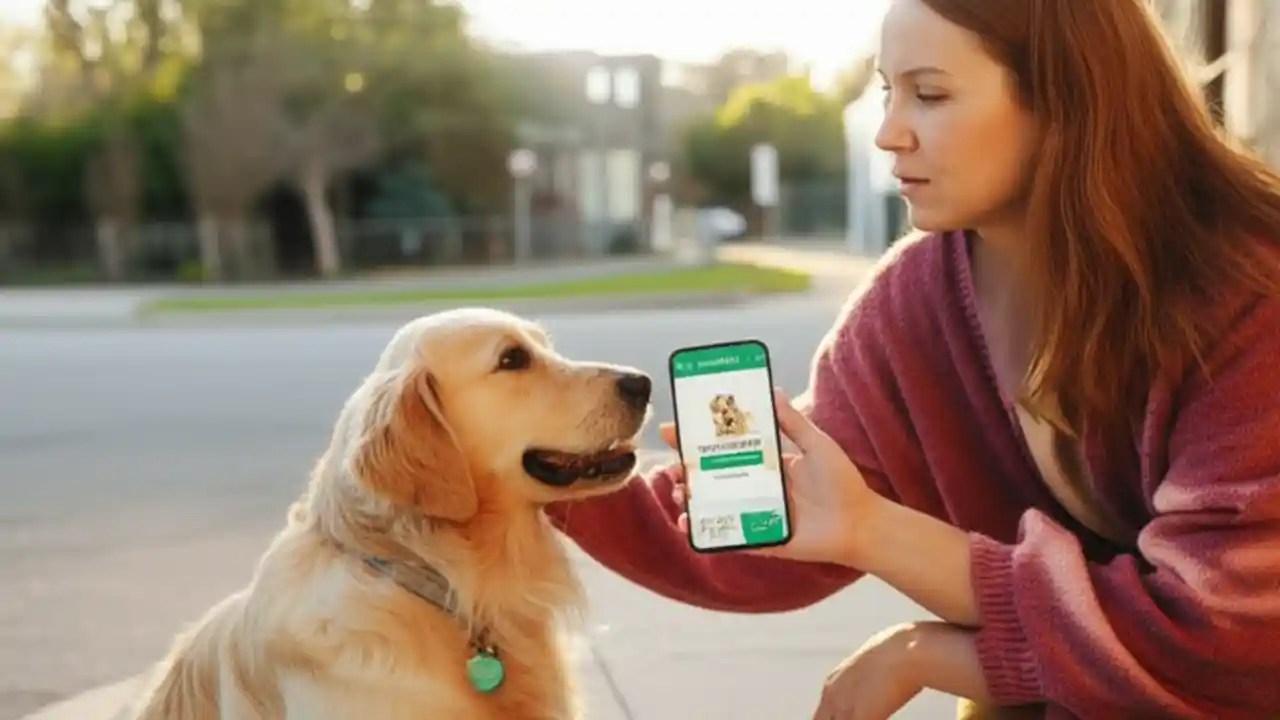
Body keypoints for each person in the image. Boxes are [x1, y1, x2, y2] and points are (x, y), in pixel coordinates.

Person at [547, 0, 1280, 718]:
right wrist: (540, 466)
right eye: (886, 93)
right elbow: (777, 517)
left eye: (929, 95)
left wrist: (927, 648)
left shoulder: (1251, 293)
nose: (888, 134)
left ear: (1067, 100)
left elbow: (1226, 639)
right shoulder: (914, 300)